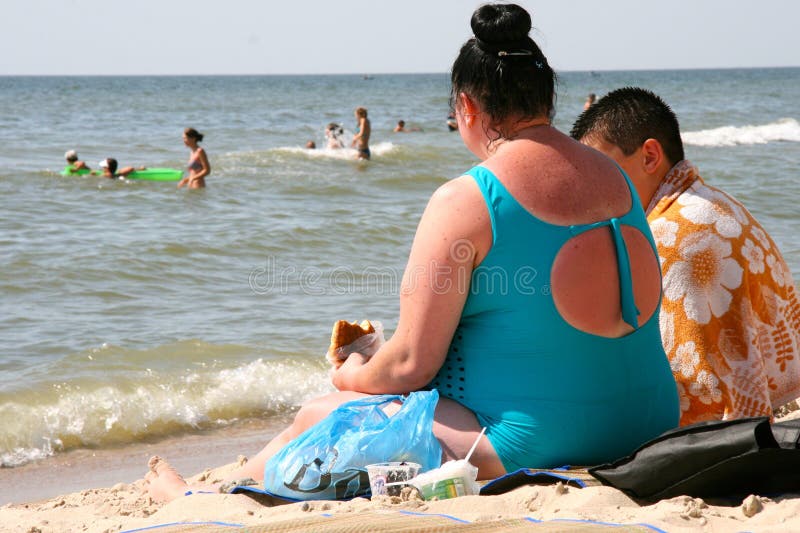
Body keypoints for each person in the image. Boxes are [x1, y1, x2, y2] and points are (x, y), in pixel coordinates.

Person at [144, 3, 679, 503]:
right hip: (648, 423)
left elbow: (408, 367)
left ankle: (201, 503)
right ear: (546, 99)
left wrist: (349, 372)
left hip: (540, 445)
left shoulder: (468, 198)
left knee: (321, 414)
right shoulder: (616, 178)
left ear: (466, 107)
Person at [570, 87, 800, 425]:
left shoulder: (672, 234)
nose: (594, 188)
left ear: (650, 156)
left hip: (733, 437)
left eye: (602, 170)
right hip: (783, 406)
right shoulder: (716, 203)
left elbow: (696, 397)